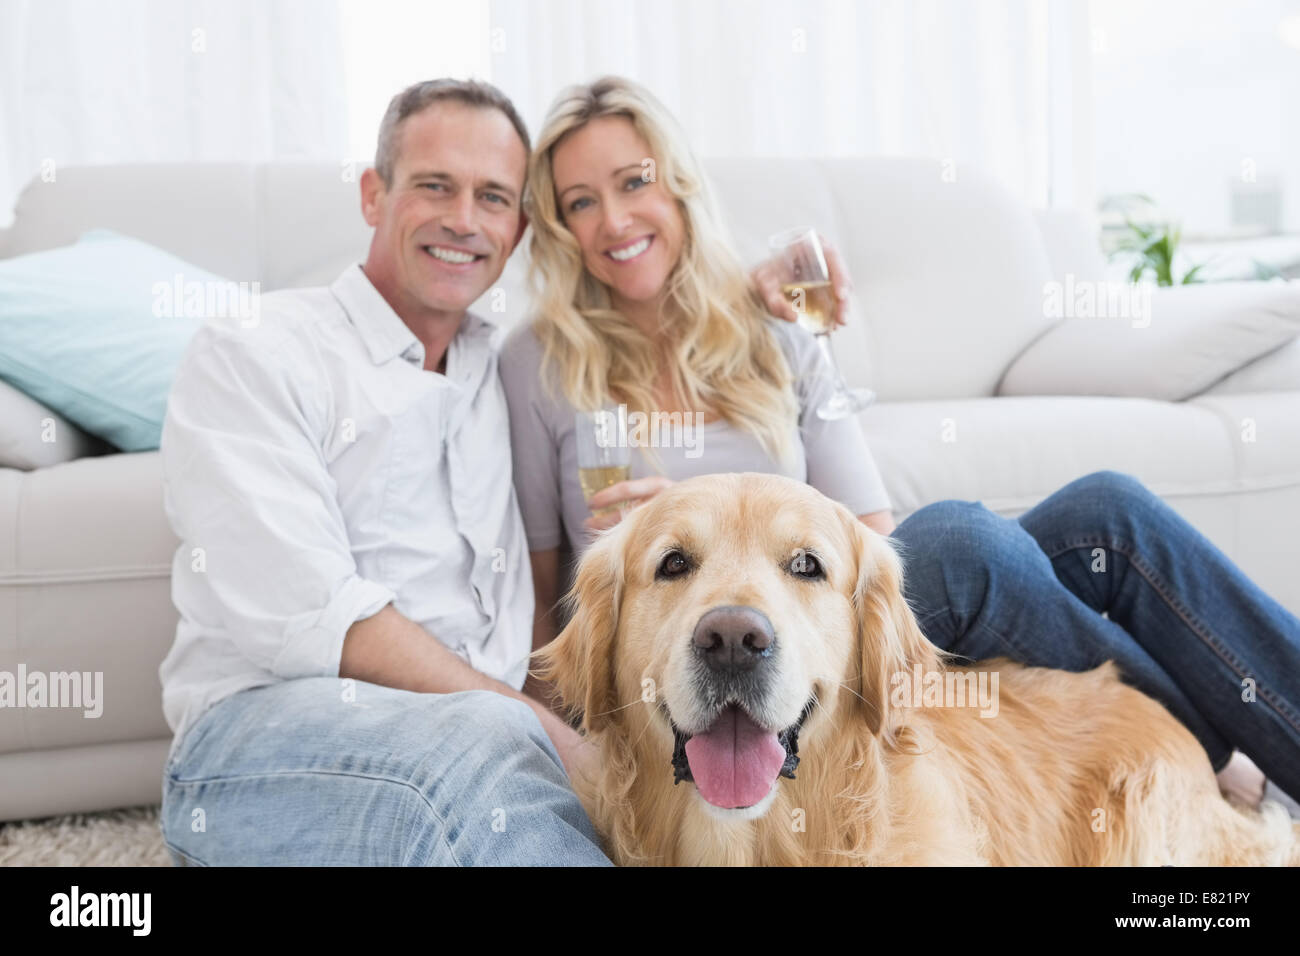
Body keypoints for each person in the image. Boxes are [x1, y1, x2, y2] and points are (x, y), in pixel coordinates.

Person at [498, 75, 1300, 814]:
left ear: (676, 185)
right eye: (580, 202)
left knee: (1106, 511)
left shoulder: (771, 324)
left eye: (634, 182)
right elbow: (544, 598)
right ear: (560, 228)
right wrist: (578, 724)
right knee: (955, 538)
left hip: (819, 609)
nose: (614, 220)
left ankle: (1251, 748)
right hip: (692, 633)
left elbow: (872, 527)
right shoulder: (539, 363)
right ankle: (1210, 747)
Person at [157, 79, 614, 866]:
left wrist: (762, 293)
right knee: (487, 748)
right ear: (375, 194)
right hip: (258, 747)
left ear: (520, 229)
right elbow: (315, 615)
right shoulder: (256, 350)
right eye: (435, 185)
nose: (463, 220)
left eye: (493, 198)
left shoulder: (509, 367)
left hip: (489, 754)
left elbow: (645, 308)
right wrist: (538, 726)